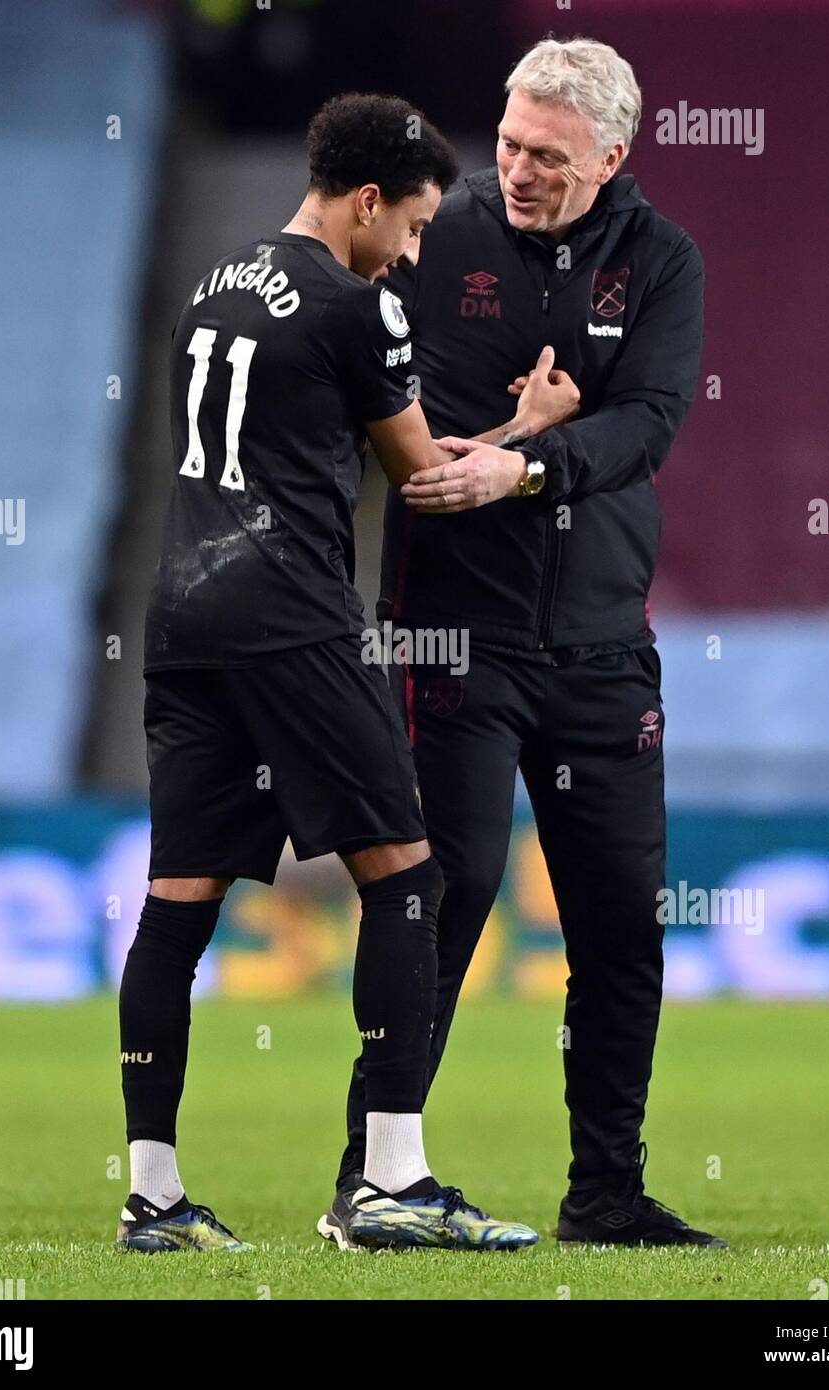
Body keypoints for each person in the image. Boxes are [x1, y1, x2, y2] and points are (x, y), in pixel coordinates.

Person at [116, 93, 579, 1253]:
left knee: (177, 905)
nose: (416, 250)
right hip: (292, 617)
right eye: (414, 226)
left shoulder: (216, 284)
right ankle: (389, 1181)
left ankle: (153, 1196)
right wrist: (525, 436)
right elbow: (421, 474)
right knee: (408, 877)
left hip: (183, 616)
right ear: (366, 202)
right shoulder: (356, 304)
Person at [329, 40, 727, 1248]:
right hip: (455, 633)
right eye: (506, 144)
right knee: (445, 897)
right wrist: (520, 435)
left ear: (612, 154)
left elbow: (647, 426)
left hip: (604, 645)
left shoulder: (661, 263)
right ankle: (374, 1176)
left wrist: (530, 457)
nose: (515, 171)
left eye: (546, 156)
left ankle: (603, 1193)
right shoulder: (435, 238)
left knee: (617, 923)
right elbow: (403, 425)